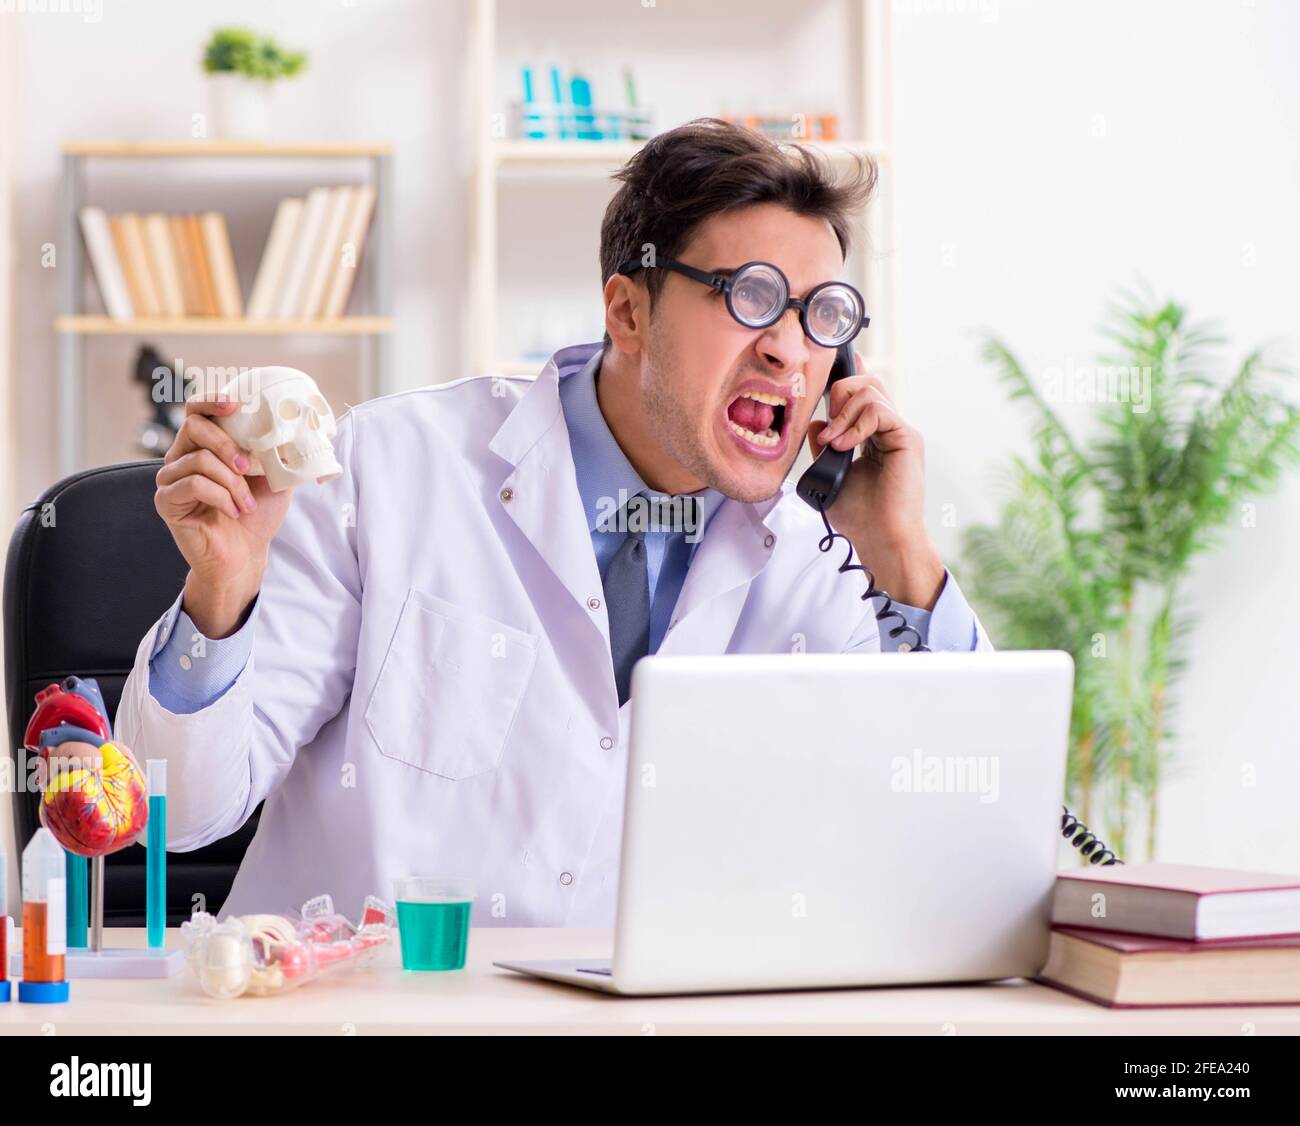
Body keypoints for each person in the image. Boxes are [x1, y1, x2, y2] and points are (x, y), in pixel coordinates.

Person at [116, 119, 991, 925]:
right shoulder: (392, 467)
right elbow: (180, 816)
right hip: (369, 1015)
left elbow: (963, 846)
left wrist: (901, 558)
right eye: (753, 296)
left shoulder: (825, 560)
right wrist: (221, 591)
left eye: (823, 316)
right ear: (628, 312)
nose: (789, 349)